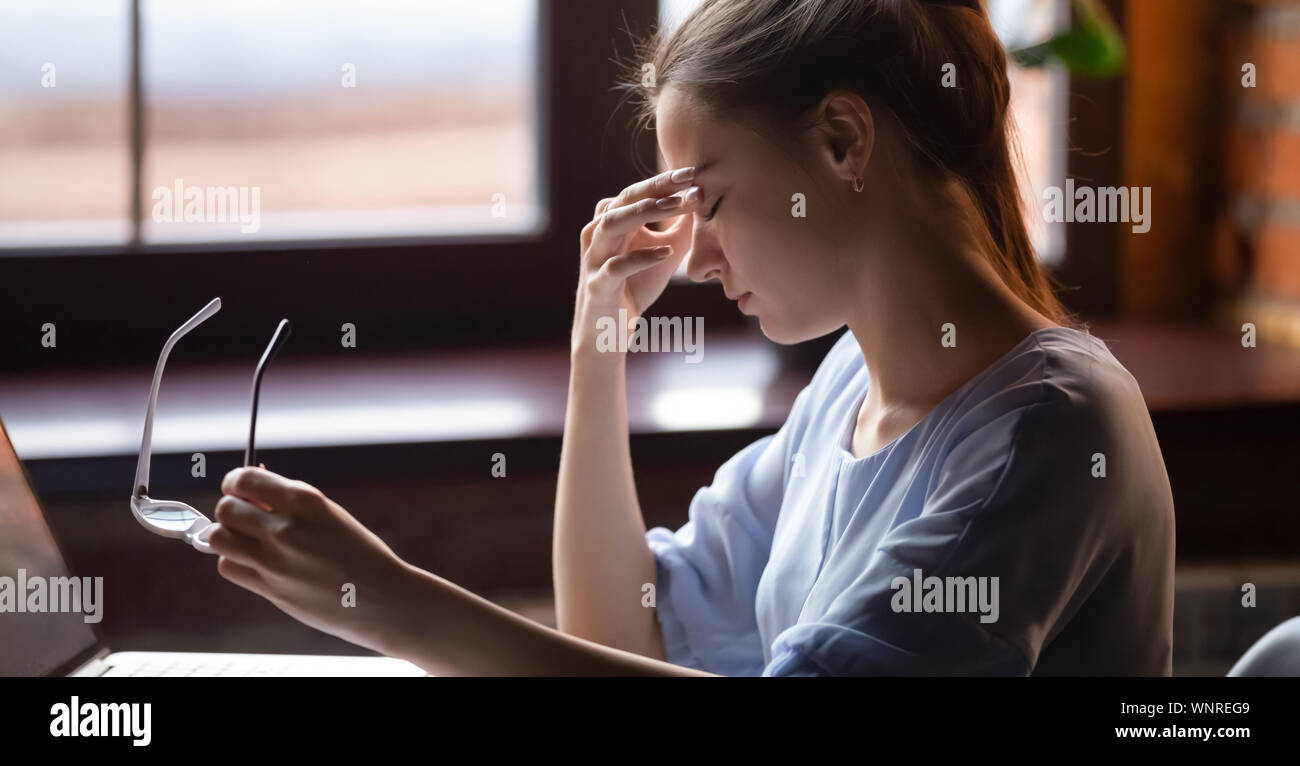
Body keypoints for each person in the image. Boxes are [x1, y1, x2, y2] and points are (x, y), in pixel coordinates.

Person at [208, 0, 1175, 676]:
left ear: (842, 142)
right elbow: (622, 634)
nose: (697, 259)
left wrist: (392, 604)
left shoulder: (1048, 434)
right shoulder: (850, 391)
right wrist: (599, 345)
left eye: (706, 200)